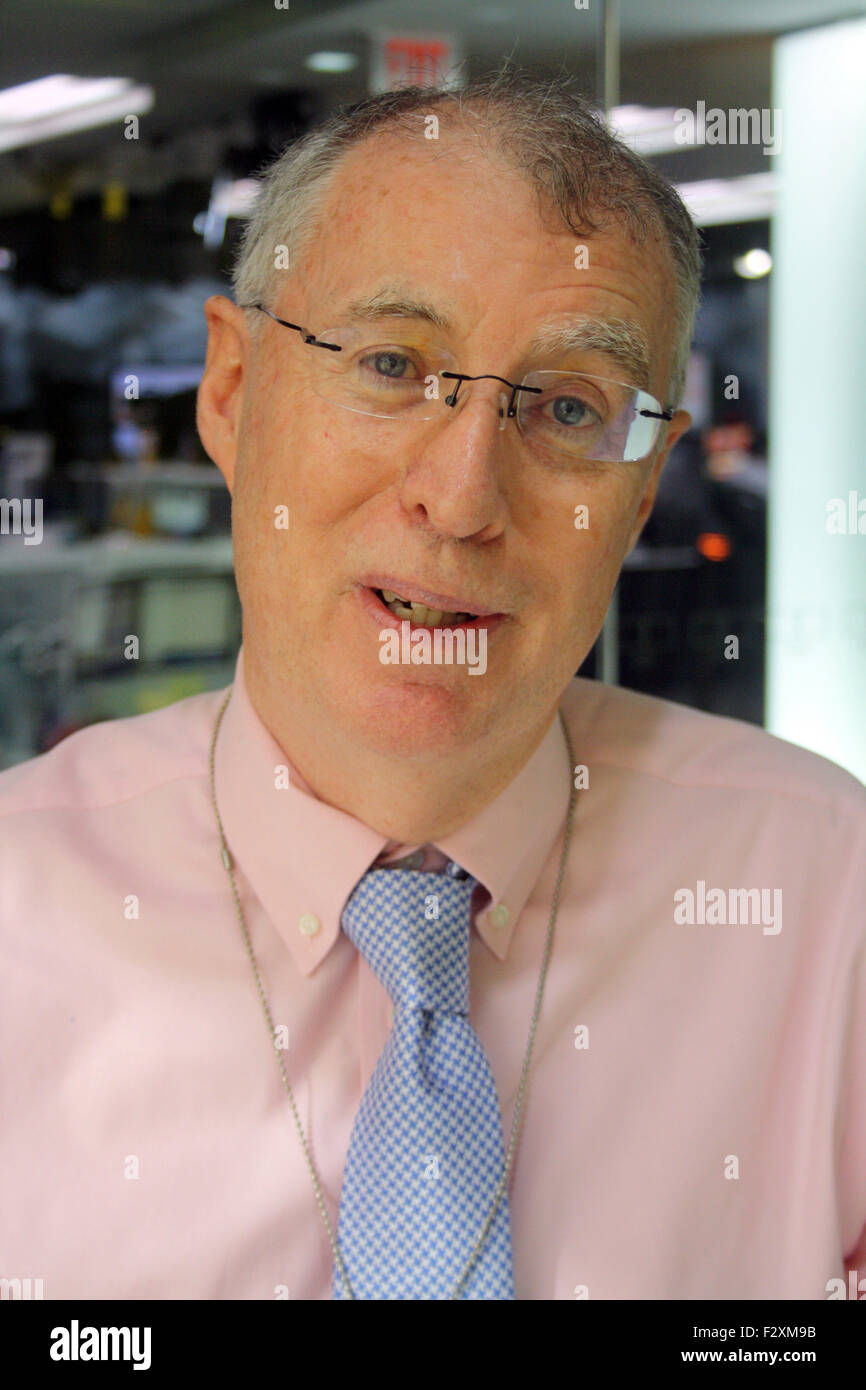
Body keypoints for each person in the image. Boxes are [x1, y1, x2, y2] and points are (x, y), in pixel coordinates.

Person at [0, 67, 863, 1302]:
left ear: (636, 493)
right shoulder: (16, 913)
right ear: (233, 393)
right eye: (393, 366)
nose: (459, 500)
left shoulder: (822, 894)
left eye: (569, 406)